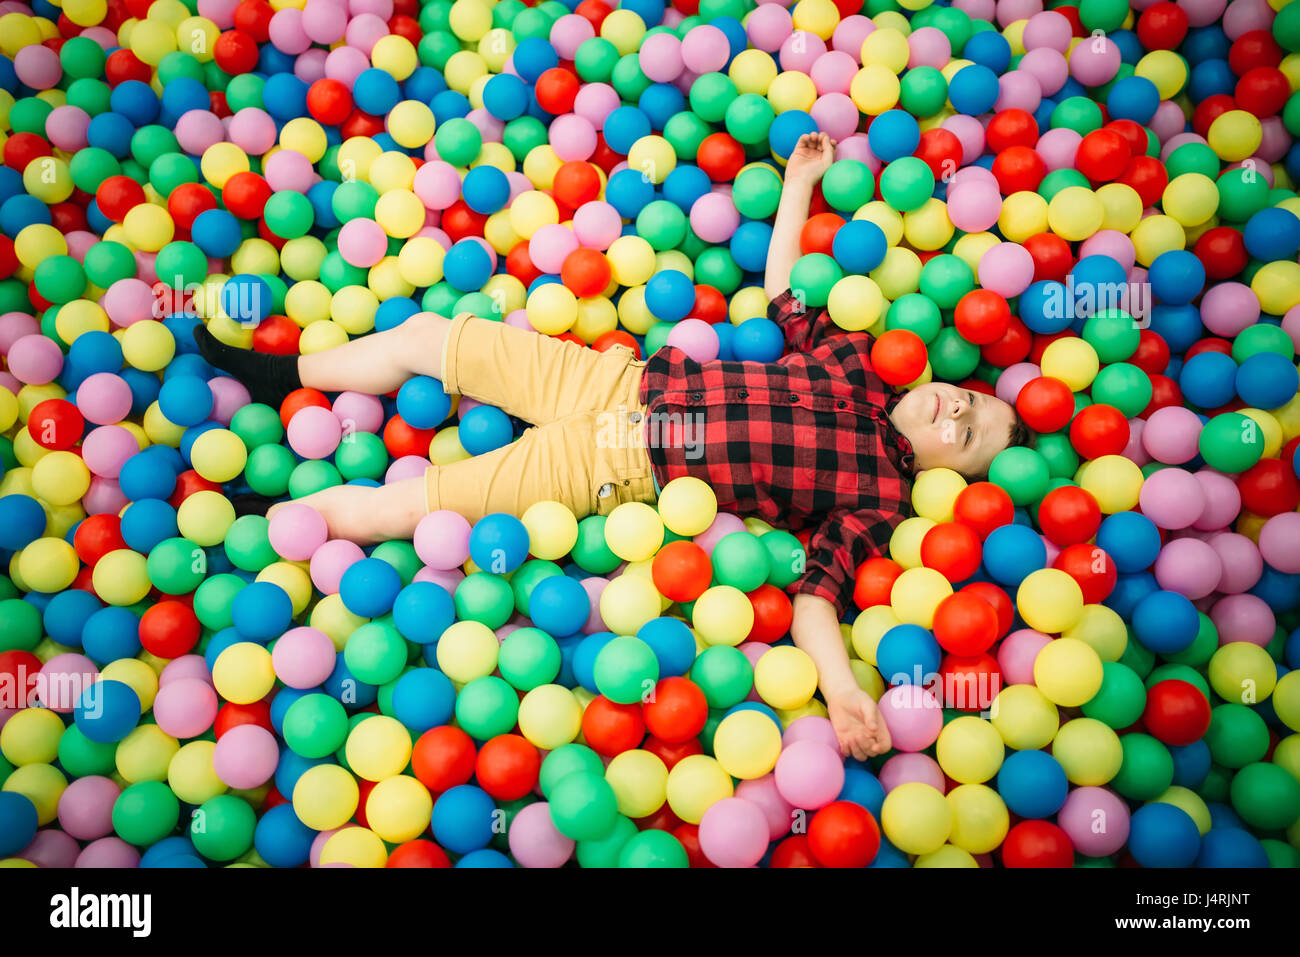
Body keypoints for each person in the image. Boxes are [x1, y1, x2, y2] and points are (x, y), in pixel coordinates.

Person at [195, 132, 1031, 761]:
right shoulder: (856, 363)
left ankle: (276, 515)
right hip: (618, 387)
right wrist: (801, 185)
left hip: (617, 469)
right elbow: (785, 290)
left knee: (407, 507)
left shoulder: (878, 502)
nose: (952, 412)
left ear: (944, 475)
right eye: (966, 401)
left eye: (965, 436)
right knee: (427, 332)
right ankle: (280, 370)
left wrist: (845, 690)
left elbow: (817, 597)